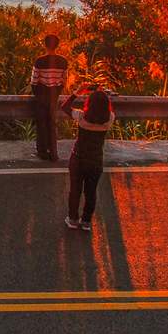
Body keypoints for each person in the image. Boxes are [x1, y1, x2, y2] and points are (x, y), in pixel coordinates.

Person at [60, 85, 115, 231]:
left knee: (75, 191)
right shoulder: (109, 119)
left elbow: (64, 107)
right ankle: (86, 221)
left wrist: (77, 93)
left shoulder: (81, 117)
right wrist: (102, 94)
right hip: (96, 161)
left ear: (88, 103)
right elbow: (105, 108)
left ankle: (72, 219)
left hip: (78, 158)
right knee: (91, 192)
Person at [30, 34, 69, 162]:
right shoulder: (63, 61)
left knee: (42, 124)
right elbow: (64, 81)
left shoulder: (39, 61)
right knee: (52, 124)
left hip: (41, 95)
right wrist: (57, 92)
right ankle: (53, 152)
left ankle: (42, 152)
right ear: (57, 45)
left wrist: (38, 95)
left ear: (45, 45)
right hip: (54, 96)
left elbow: (34, 81)